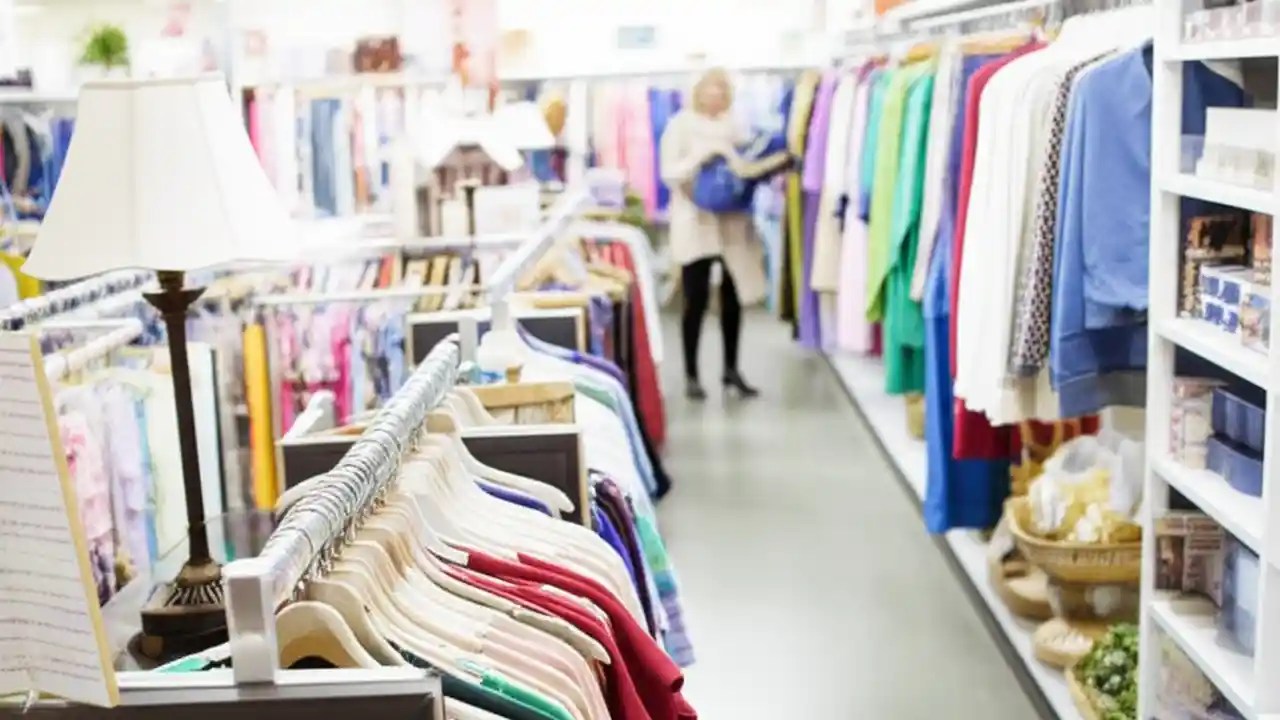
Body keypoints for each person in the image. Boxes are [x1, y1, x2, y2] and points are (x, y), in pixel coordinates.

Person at [659, 68, 767, 400]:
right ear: (698, 91)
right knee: (695, 297)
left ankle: (731, 369)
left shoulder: (736, 124)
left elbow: (747, 165)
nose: (716, 95)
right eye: (710, 88)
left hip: (732, 223)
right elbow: (669, 172)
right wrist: (700, 160)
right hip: (695, 221)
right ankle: (692, 373)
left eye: (722, 89)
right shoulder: (680, 124)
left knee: (734, 298)